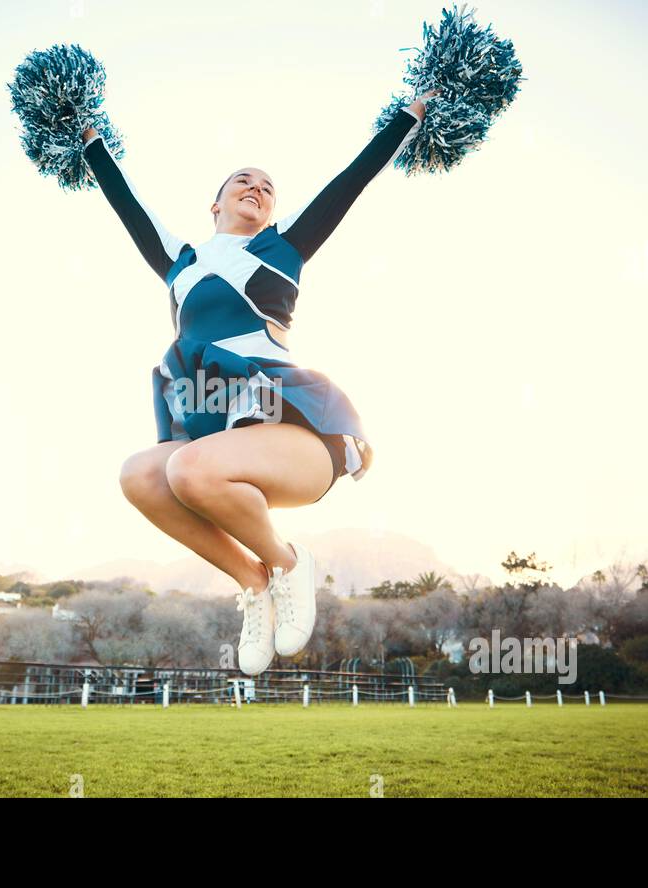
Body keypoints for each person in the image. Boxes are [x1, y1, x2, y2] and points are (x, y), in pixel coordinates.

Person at [80, 90, 436, 676]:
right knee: (140, 474)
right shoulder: (182, 263)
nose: (257, 188)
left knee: (186, 469)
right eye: (243, 180)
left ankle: (289, 565)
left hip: (295, 433)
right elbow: (127, 205)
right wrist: (90, 139)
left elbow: (352, 179)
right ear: (215, 203)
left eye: (268, 187)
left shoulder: (283, 249)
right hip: (216, 433)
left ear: (273, 212)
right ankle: (252, 581)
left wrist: (408, 117)